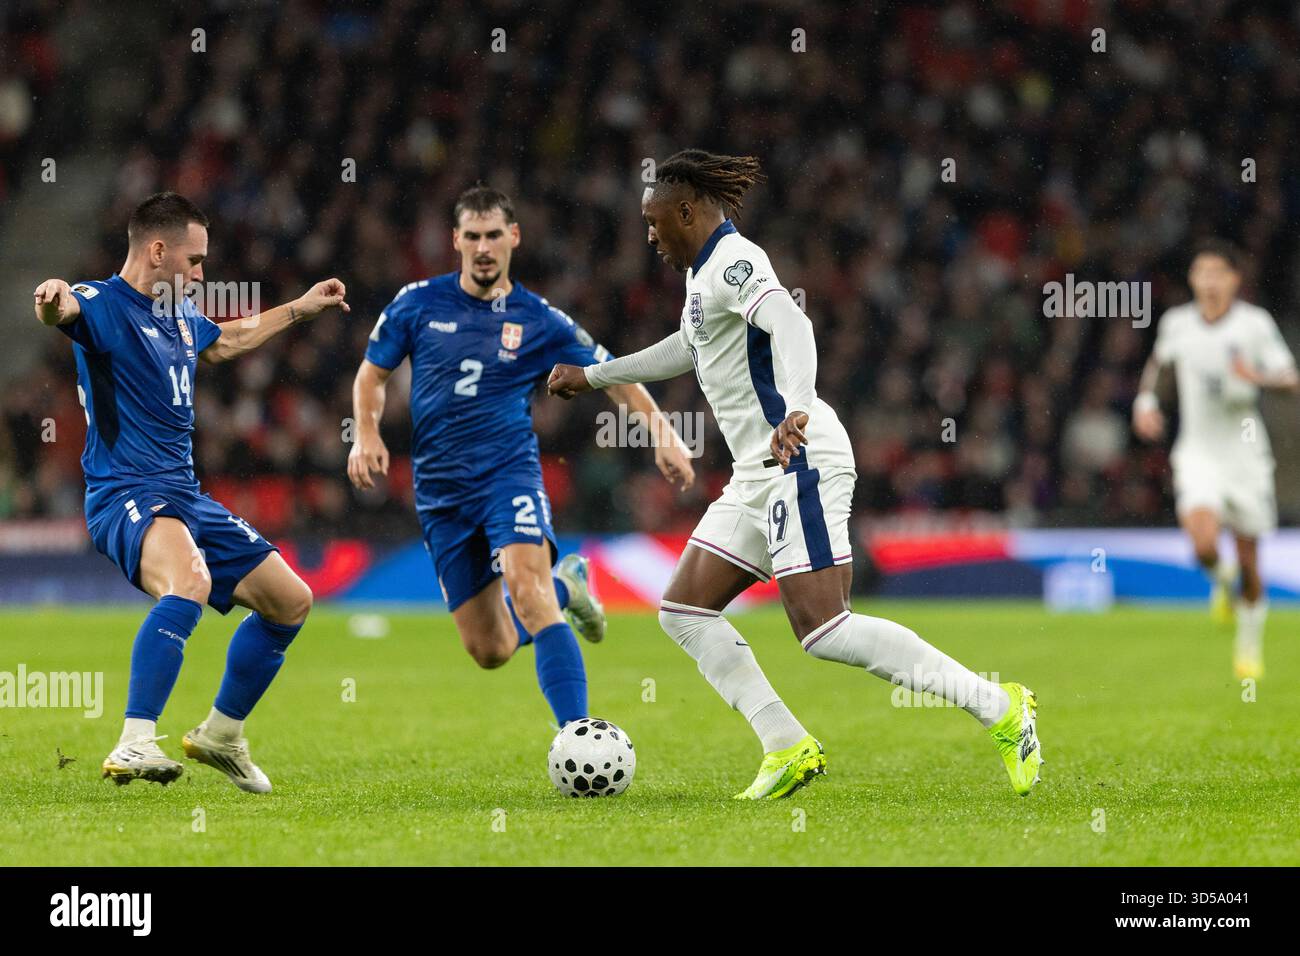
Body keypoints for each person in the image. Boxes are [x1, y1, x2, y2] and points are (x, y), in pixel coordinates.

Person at [549, 150, 1043, 798]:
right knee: (683, 611)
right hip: (758, 474)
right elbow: (685, 349)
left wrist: (800, 408)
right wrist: (595, 376)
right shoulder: (702, 279)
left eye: (654, 221)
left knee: (825, 629)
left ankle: (999, 707)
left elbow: (791, 321)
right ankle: (786, 744)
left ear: (688, 210)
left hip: (797, 456)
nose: (648, 234)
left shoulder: (736, 261)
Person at [34, 191, 349, 792]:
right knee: (192, 583)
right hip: (124, 492)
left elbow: (225, 341)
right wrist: (52, 298)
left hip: (184, 495)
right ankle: (133, 742)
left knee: (291, 601)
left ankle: (221, 735)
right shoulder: (104, 305)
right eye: (196, 260)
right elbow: (64, 312)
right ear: (158, 250)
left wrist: (300, 309)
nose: (203, 274)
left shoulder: (176, 312)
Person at [348, 185, 694, 728]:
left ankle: (578, 735)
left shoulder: (540, 320)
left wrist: (663, 434)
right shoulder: (416, 302)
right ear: (456, 240)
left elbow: (614, 376)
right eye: (473, 236)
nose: (483, 247)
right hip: (441, 492)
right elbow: (373, 374)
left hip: (508, 475)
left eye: (494, 235)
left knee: (526, 588)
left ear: (513, 237)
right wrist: (366, 433)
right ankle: (569, 586)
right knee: (489, 649)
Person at [1133, 239, 1298, 678]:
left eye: (1216, 272)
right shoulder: (1177, 324)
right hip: (1198, 450)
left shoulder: (1254, 325)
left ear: (1233, 280)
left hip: (1245, 452)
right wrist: (1146, 403)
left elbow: (1290, 378)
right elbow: (1158, 367)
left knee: (1250, 559)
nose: (1207, 281)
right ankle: (1219, 580)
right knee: (1203, 542)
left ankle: (1248, 647)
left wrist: (1257, 376)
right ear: (1192, 280)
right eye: (1200, 272)